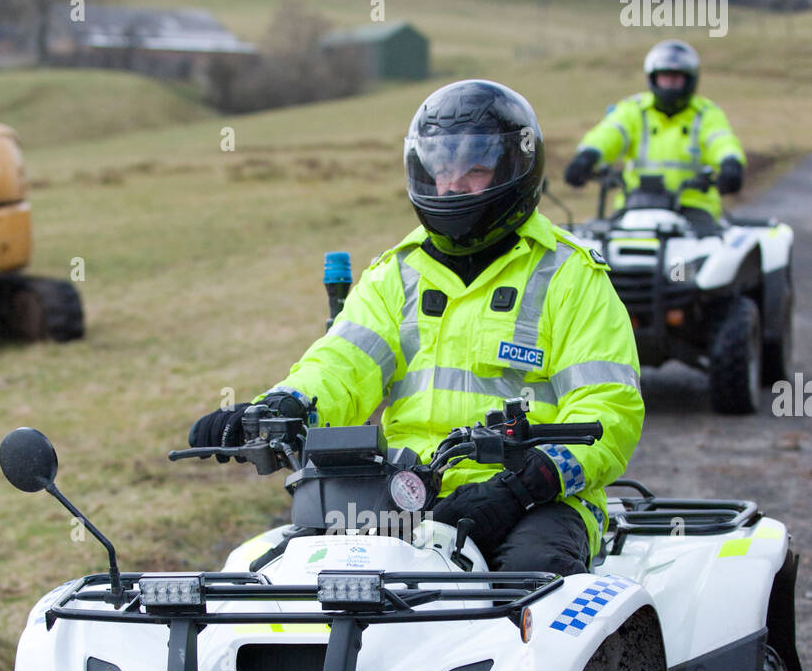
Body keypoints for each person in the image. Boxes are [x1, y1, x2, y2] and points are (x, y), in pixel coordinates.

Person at [190, 79, 644, 576]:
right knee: (290, 578)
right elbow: (341, 365)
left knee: (530, 584)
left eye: (474, 170)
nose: (452, 187)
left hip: (535, 499)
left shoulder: (569, 273)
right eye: (441, 170)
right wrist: (280, 405)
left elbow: (610, 410)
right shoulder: (395, 273)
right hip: (401, 493)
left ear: (517, 167)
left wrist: (523, 485)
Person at [563, 40, 746, 234]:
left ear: (690, 80)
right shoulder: (634, 109)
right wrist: (587, 156)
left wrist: (731, 163)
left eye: (676, 78)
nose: (669, 84)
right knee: (601, 247)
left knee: (708, 248)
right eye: (664, 77)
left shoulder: (706, 113)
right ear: (653, 78)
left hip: (692, 206)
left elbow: (721, 140)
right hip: (635, 204)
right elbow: (609, 133)